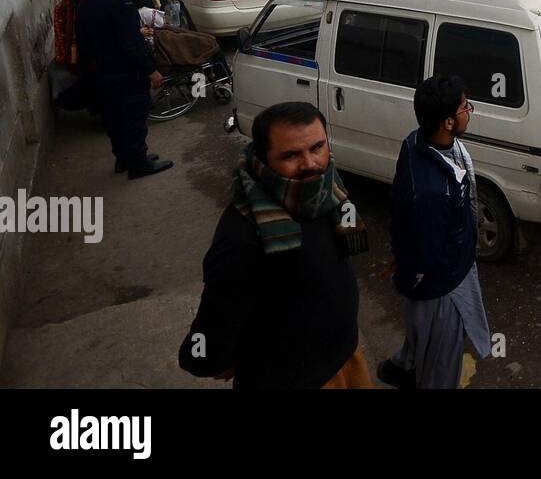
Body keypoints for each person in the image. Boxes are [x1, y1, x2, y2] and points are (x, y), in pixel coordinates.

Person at [179, 102, 371, 388]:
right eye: (291, 155)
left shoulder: (328, 189)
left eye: (317, 147)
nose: (310, 163)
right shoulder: (241, 236)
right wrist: (214, 358)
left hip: (346, 358)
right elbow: (215, 321)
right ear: (262, 157)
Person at [379, 76, 491, 390]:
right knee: (443, 360)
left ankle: (404, 365)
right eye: (465, 107)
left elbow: (401, 216)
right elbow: (424, 254)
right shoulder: (434, 192)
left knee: (422, 334)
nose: (469, 111)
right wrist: (406, 275)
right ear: (448, 122)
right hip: (442, 286)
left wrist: (399, 257)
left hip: (445, 273)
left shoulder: (416, 142)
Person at [74, 0, 172, 180]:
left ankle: (124, 159)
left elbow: (82, 42)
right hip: (126, 73)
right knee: (135, 117)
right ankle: (139, 164)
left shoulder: (86, 5)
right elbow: (132, 44)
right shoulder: (122, 6)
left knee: (114, 118)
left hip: (101, 72)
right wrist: (151, 70)